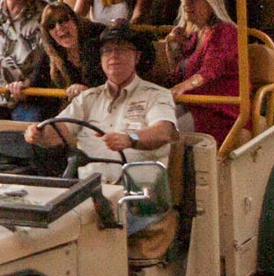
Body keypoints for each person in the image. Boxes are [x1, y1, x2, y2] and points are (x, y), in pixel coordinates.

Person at [24, 24, 178, 183]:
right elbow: (58, 131)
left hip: (138, 191)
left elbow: (164, 132)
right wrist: (38, 133)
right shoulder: (87, 98)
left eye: (121, 50)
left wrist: (130, 138)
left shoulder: (157, 95)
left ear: (137, 57)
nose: (113, 55)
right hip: (91, 189)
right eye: (107, 51)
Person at [160, 0, 241, 144]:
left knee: (167, 133)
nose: (186, 3)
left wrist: (182, 87)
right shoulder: (195, 36)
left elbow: (209, 71)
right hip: (195, 104)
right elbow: (179, 76)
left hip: (220, 110)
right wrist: (172, 48)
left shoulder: (225, 31)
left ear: (210, 3)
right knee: (154, 121)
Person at [17, 1, 102, 123]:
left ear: (75, 20)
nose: (59, 27)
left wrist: (88, 91)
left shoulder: (98, 43)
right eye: (51, 25)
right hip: (66, 115)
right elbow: (36, 88)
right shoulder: (49, 54)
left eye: (64, 20)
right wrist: (22, 91)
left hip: (100, 111)